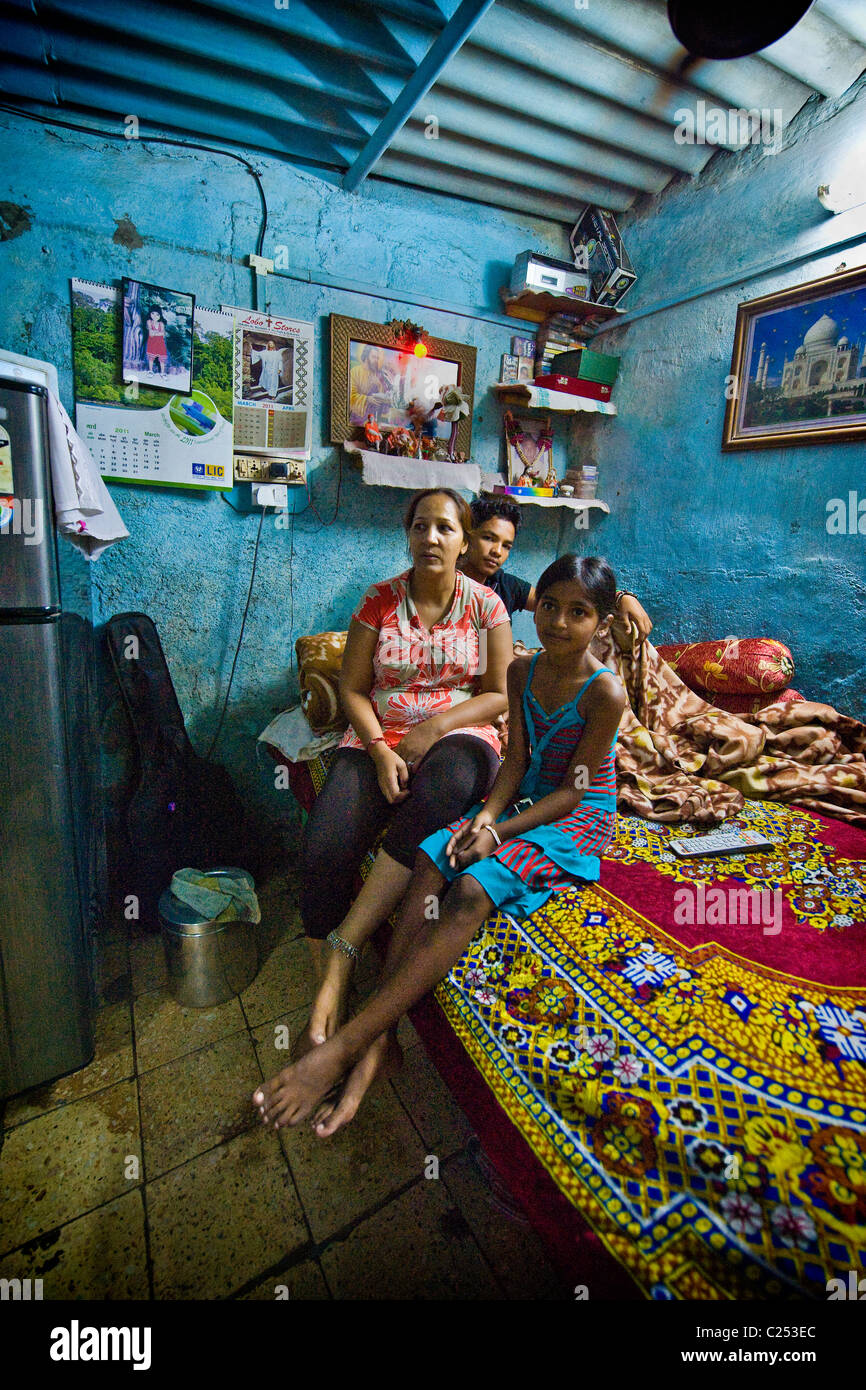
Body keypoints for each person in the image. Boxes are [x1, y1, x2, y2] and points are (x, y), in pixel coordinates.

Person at [254, 553, 627, 1137]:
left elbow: (576, 792)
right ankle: (382, 1038)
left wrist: (498, 834)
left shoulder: (605, 694)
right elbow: (518, 761)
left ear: (601, 624)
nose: (557, 622)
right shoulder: (523, 673)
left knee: (472, 889)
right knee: (432, 858)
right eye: (549, 606)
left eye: (578, 612)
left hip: (572, 816)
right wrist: (486, 817)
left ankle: (350, 1045)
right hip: (519, 799)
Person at [292, 487, 513, 1054]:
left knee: (450, 784)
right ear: (408, 534)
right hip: (378, 735)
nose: (431, 538)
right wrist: (380, 749)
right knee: (324, 846)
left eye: (445, 527)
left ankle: (349, 945)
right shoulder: (378, 601)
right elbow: (352, 688)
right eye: (420, 526)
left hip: (460, 733)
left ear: (464, 540)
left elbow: (497, 694)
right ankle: (329, 987)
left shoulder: (486, 606)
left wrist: (434, 730)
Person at [460, 494, 654, 637]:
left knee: (619, 633)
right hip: (456, 678)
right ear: (467, 536)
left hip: (494, 674)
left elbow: (568, 598)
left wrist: (621, 597)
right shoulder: (444, 583)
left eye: (506, 545)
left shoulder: (503, 585)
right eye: (488, 538)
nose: (497, 551)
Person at [145, 309, 167, 375]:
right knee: (151, 358)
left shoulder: (161, 323)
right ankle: (150, 371)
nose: (155, 316)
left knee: (162, 358)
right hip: (152, 343)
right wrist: (158, 333)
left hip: (161, 343)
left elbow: (163, 334)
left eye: (157, 314)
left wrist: (155, 332)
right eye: (153, 313)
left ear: (160, 316)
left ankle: (162, 373)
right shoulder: (149, 321)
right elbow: (150, 334)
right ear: (150, 314)